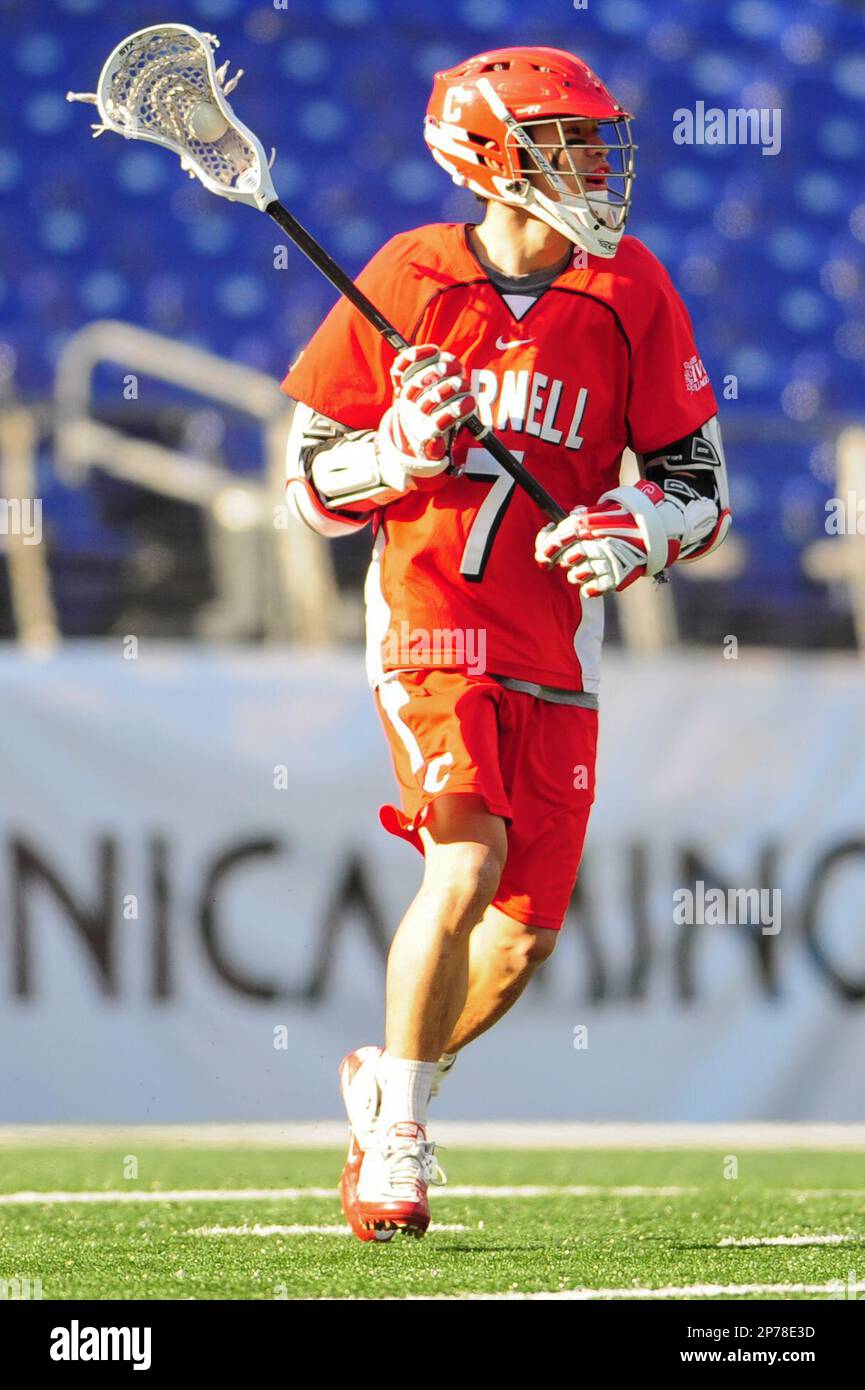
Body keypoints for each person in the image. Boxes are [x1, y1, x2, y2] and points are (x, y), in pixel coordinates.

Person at [281, 45, 731, 1241]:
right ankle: (397, 1143)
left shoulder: (628, 286)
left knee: (522, 942)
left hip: (550, 644)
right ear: (491, 157)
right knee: (464, 862)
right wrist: (401, 454)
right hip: (431, 620)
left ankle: (392, 1074)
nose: (593, 163)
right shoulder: (410, 275)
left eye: (594, 140)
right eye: (567, 142)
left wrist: (634, 530)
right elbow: (306, 489)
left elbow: (696, 481)